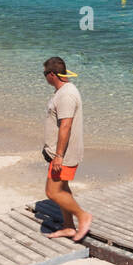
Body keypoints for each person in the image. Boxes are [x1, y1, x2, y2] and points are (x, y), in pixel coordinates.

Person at [41, 56, 92, 241]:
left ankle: (82, 215)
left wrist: (59, 156)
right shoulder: (63, 91)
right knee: (62, 188)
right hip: (59, 152)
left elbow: (66, 126)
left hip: (64, 154)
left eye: (45, 74)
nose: (44, 78)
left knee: (52, 192)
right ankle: (69, 227)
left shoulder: (66, 95)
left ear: (52, 74)